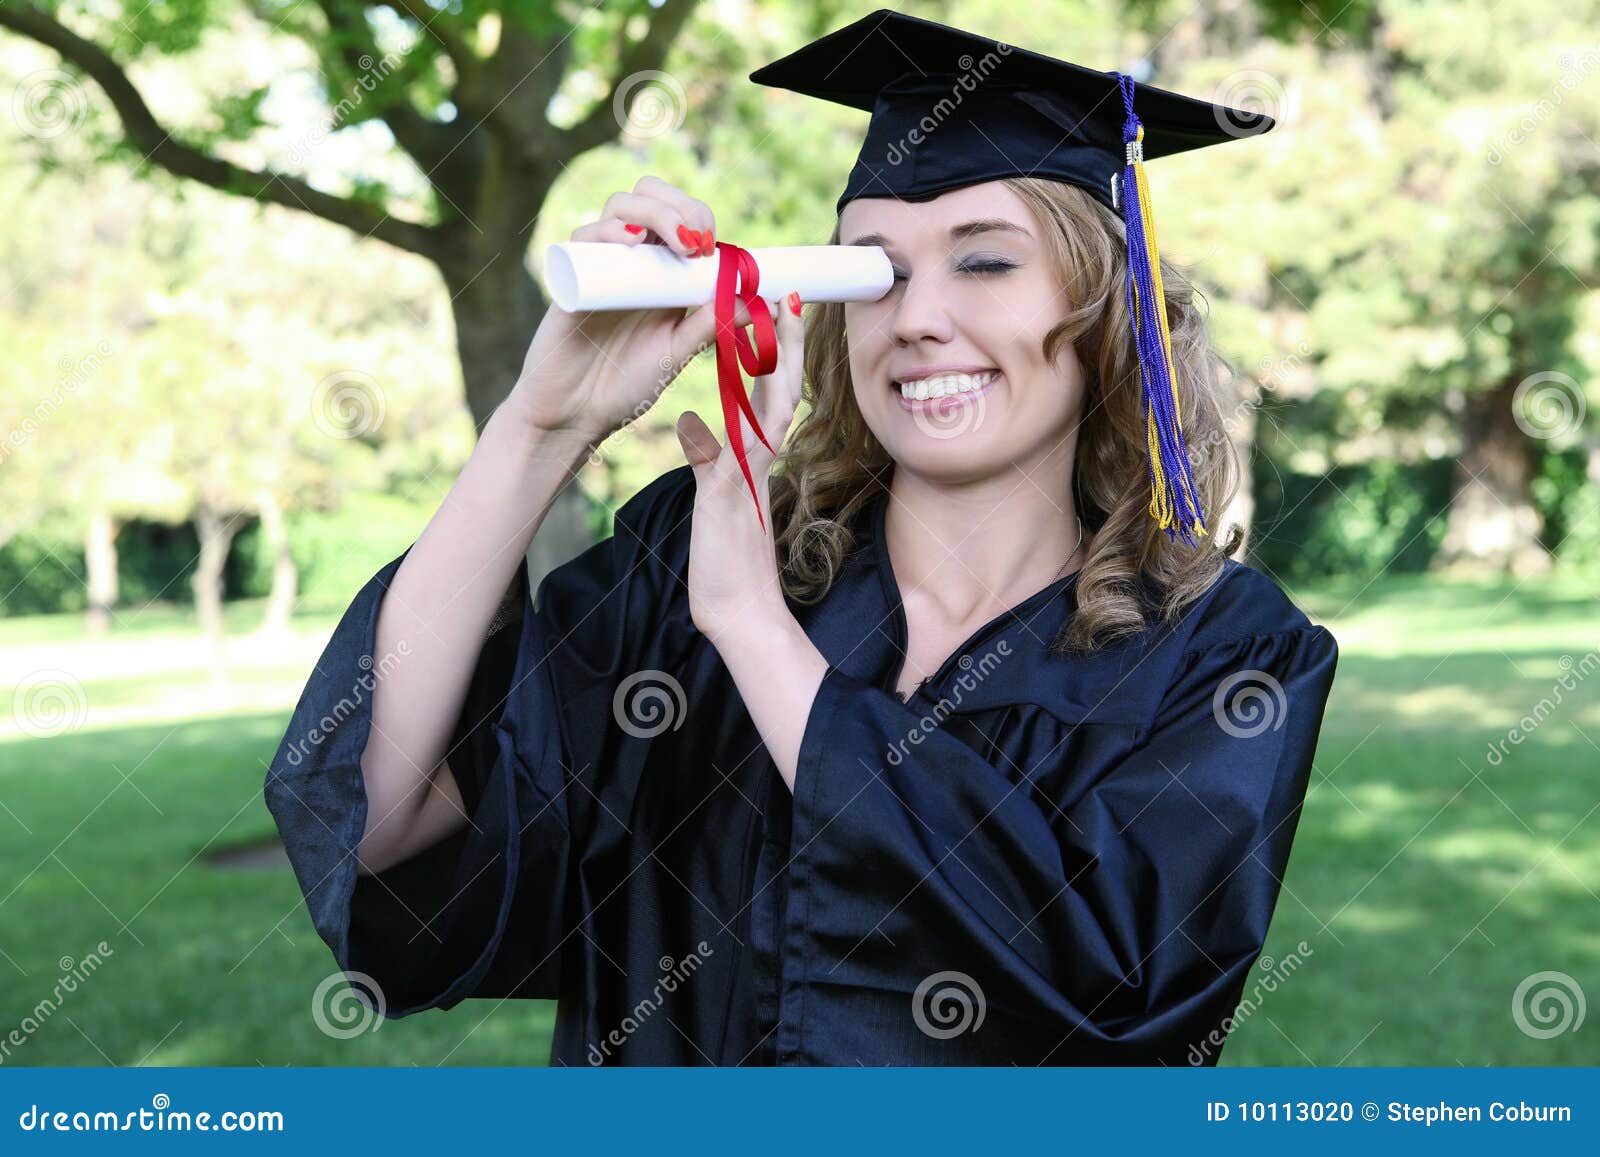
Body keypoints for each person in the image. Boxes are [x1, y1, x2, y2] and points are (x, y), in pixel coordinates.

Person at [264, 9, 1338, 1066]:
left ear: (1108, 307)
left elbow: (1113, 999)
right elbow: (378, 819)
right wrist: (540, 430)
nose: (917, 316)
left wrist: (760, 640)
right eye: (874, 269)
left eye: (983, 261)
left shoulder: (1221, 654)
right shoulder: (700, 555)